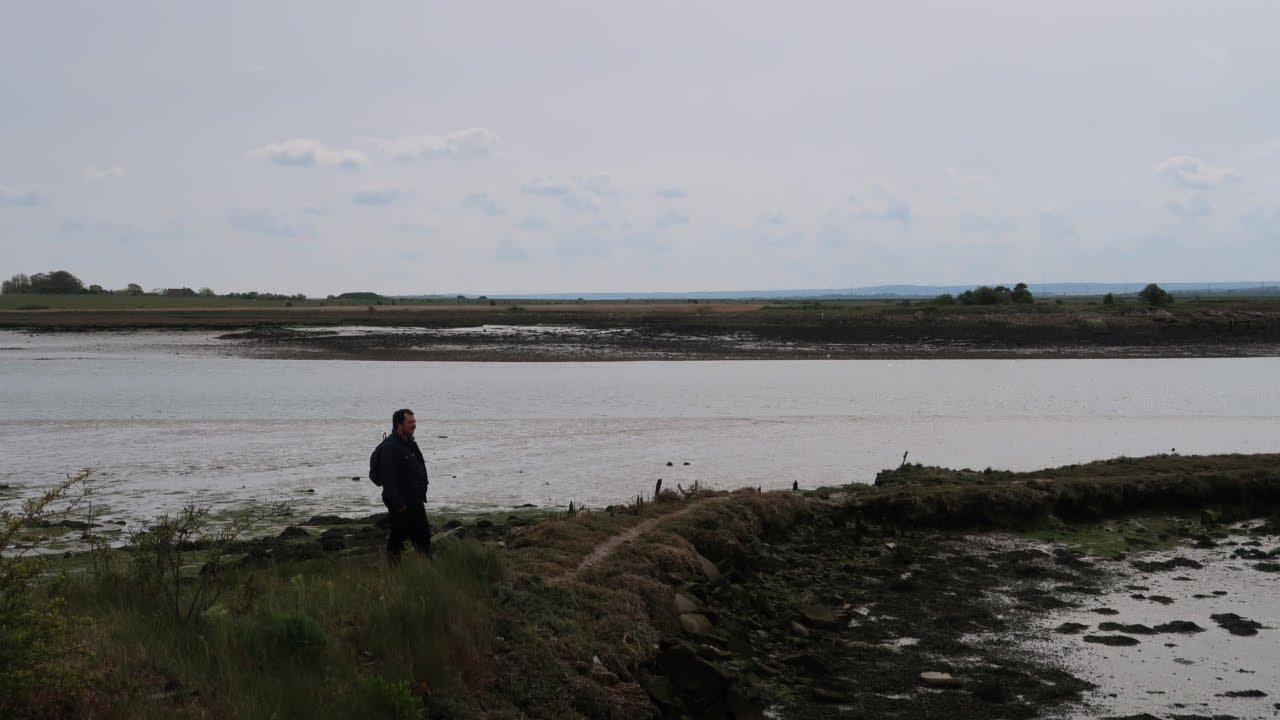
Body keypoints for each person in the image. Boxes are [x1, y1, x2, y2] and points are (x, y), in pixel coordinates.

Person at [378, 408, 432, 562]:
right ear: (399, 424)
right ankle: (394, 571)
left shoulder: (409, 442)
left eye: (414, 421)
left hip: (415, 499)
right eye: (410, 422)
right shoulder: (390, 447)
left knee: (423, 536)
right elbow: (388, 479)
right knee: (397, 539)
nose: (414, 424)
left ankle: (427, 568)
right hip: (401, 503)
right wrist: (398, 504)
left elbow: (418, 467)